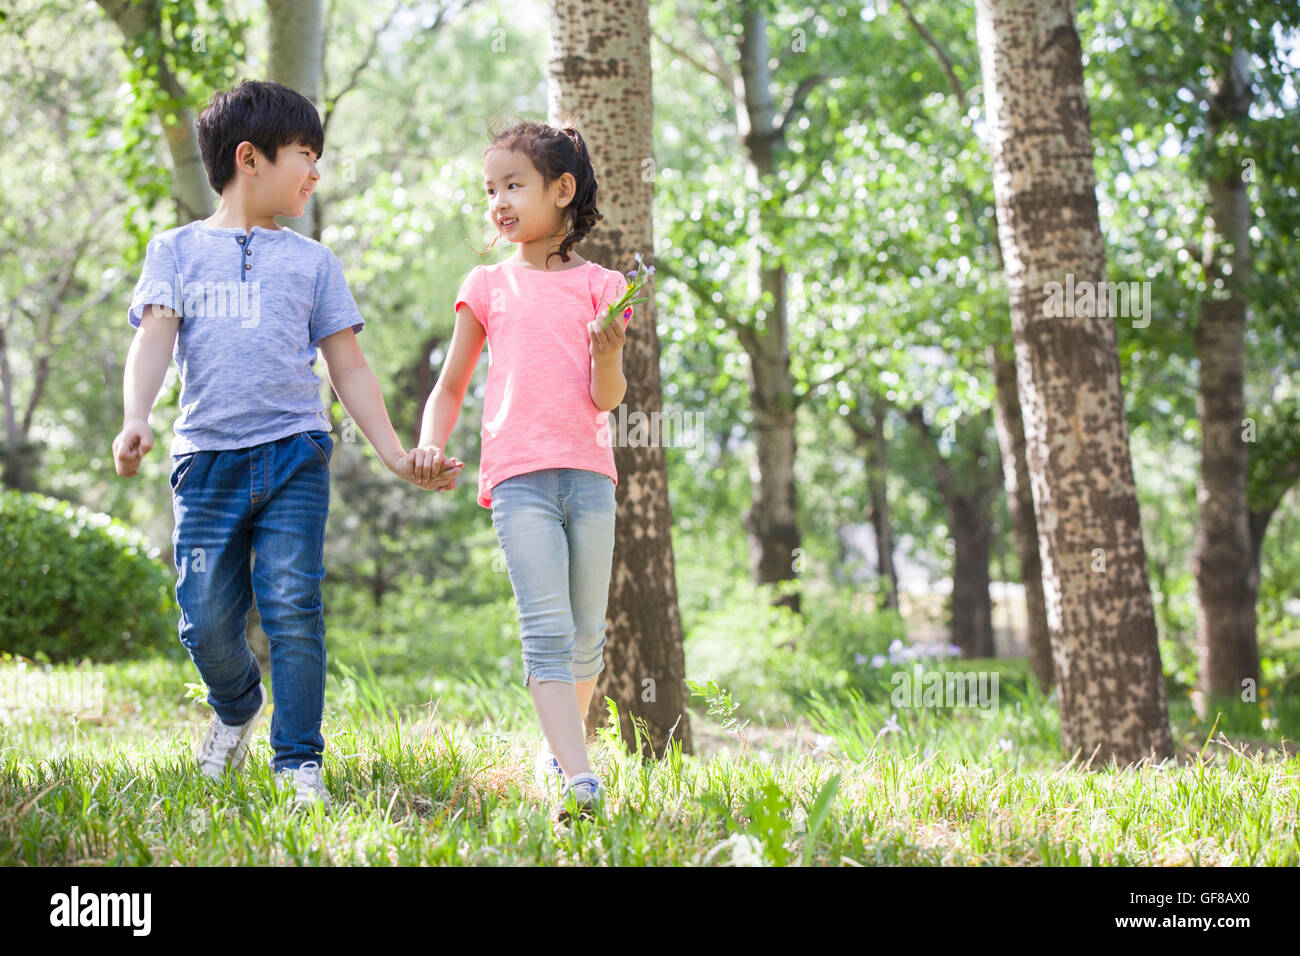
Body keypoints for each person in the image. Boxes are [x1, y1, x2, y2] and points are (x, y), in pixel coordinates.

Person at [111, 79, 461, 811]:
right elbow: (153, 340)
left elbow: (349, 367)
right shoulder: (174, 250)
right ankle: (237, 705)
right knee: (203, 620)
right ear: (250, 158)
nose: (315, 171)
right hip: (204, 461)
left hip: (296, 451)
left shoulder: (313, 263)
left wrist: (397, 453)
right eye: (306, 154)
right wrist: (136, 416)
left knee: (294, 604)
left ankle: (297, 762)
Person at [408, 118, 631, 821]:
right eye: (490, 189)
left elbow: (608, 397)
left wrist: (607, 351)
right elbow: (449, 387)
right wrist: (427, 444)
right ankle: (580, 778)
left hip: (591, 478)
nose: (498, 201)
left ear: (562, 190)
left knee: (587, 636)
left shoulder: (604, 285)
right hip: (518, 479)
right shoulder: (487, 284)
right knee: (545, 631)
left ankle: (558, 754)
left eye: (514, 185)